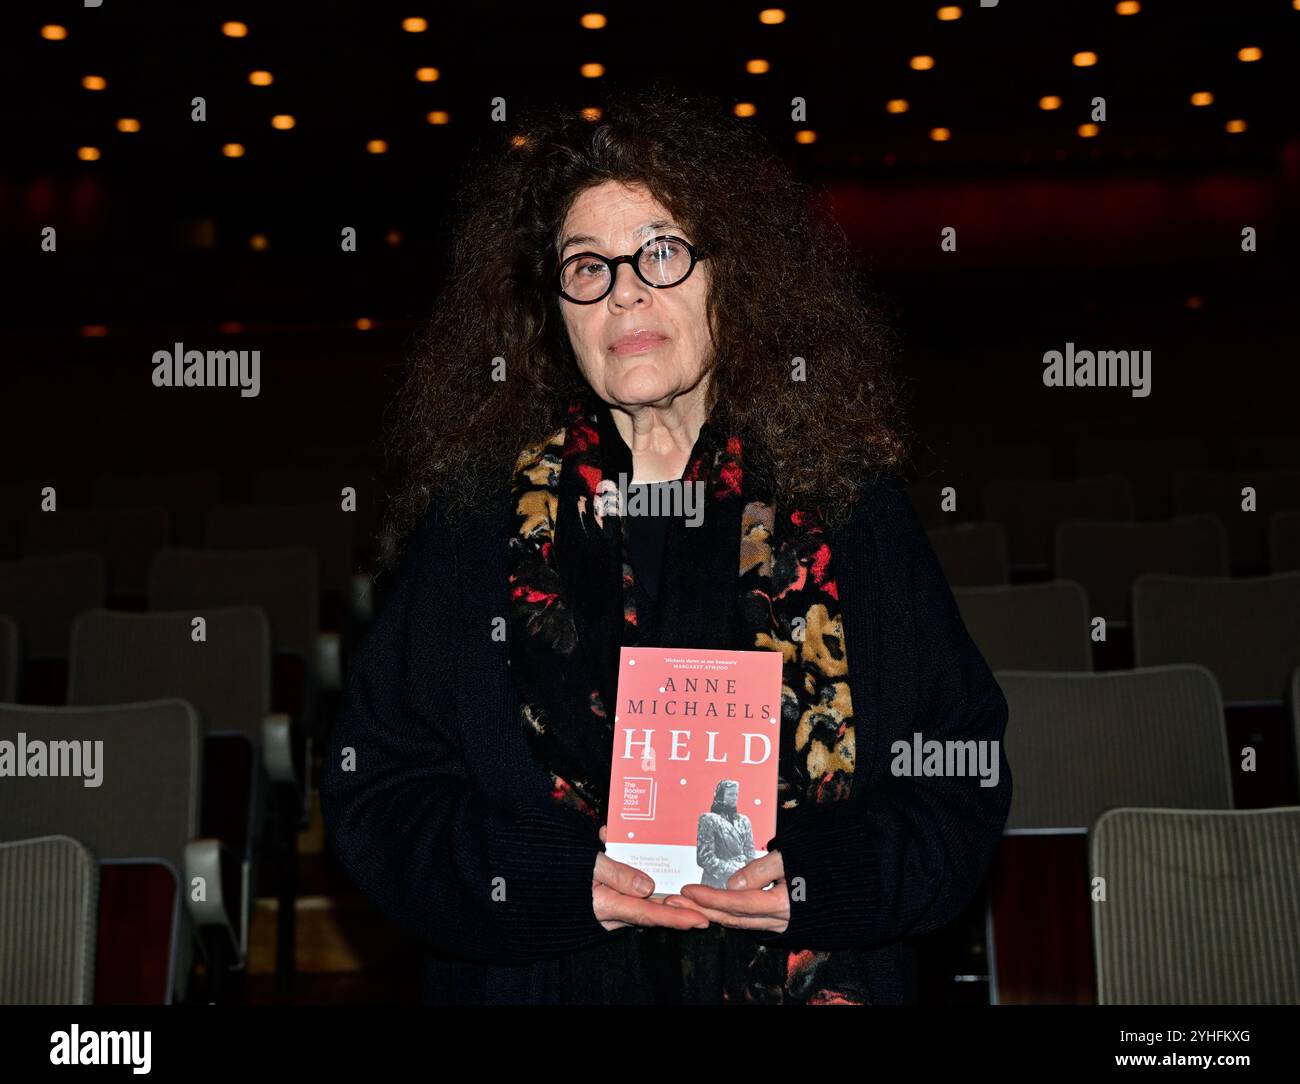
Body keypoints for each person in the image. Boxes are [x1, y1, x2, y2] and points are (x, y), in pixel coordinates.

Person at [320, 86, 1012, 1005]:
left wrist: (820, 879)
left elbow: (958, 773)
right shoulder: (474, 523)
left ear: (735, 276)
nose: (627, 290)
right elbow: (379, 793)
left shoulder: (846, 505)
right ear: (554, 311)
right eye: (587, 267)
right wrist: (548, 883)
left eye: (662, 251)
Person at [696, 780, 758, 889]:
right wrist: (735, 870)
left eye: (736, 794)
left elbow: (750, 854)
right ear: (720, 796)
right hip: (715, 883)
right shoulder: (708, 819)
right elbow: (704, 858)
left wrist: (748, 874)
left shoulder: (744, 821)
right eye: (730, 794)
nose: (735, 798)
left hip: (741, 883)